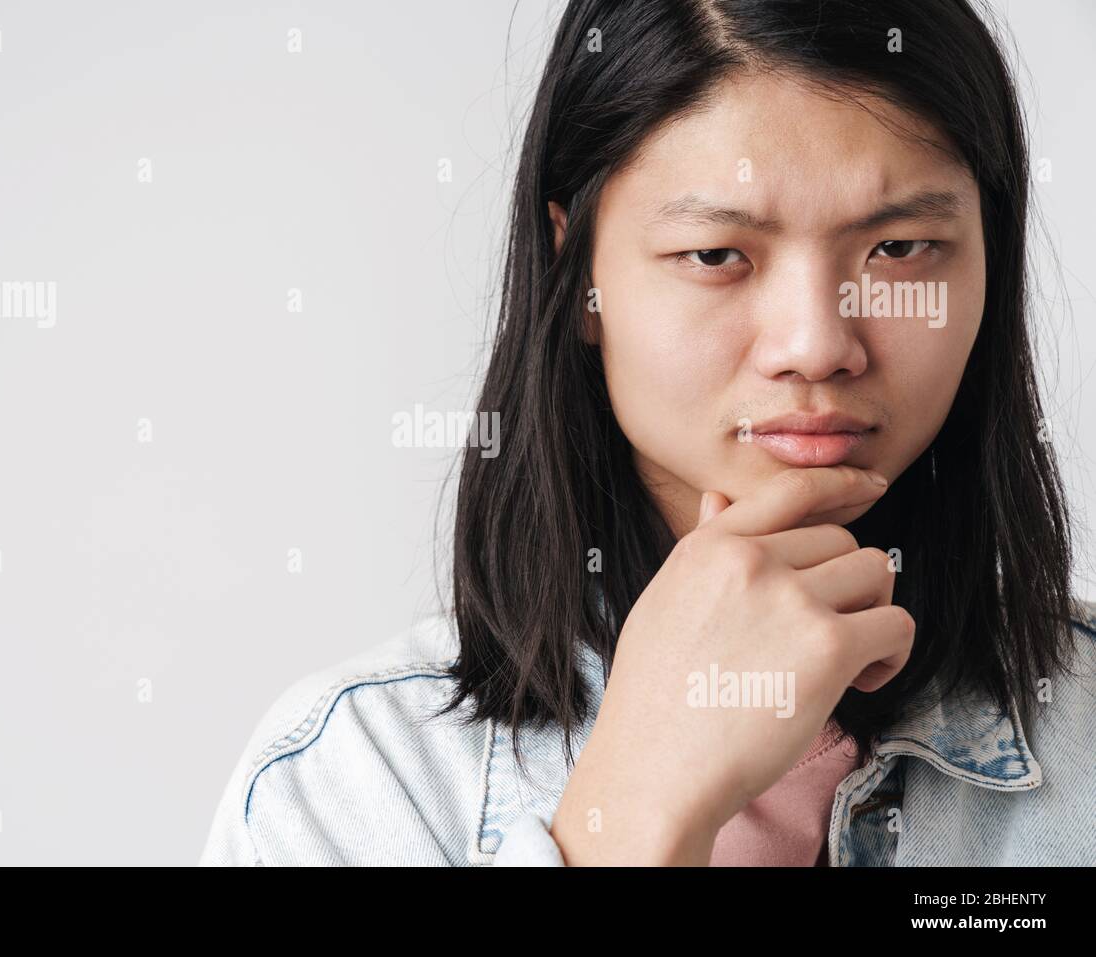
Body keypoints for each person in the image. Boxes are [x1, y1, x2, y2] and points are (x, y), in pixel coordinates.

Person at [199, 0, 1096, 866]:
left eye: (898, 249)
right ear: (574, 271)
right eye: (716, 256)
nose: (819, 344)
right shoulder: (352, 785)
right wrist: (633, 814)